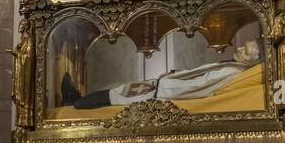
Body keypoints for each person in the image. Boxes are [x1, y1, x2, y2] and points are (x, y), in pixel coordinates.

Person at [62, 39, 261, 110]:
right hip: (164, 86)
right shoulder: (232, 67)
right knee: (119, 91)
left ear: (249, 59)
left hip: (164, 91)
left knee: (117, 95)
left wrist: (164, 87)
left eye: (245, 50)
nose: (240, 48)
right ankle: (76, 101)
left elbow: (198, 85)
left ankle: (75, 103)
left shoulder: (231, 71)